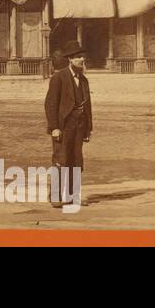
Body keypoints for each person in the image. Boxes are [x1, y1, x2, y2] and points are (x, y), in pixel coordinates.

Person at [45, 41, 92, 208]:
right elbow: (50, 104)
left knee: (76, 161)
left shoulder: (84, 80)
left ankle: (73, 196)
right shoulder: (59, 78)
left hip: (79, 127)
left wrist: (88, 129)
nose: (82, 59)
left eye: (82, 56)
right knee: (61, 160)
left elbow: (88, 106)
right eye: (78, 57)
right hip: (63, 127)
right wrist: (54, 127)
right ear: (70, 59)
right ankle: (56, 197)